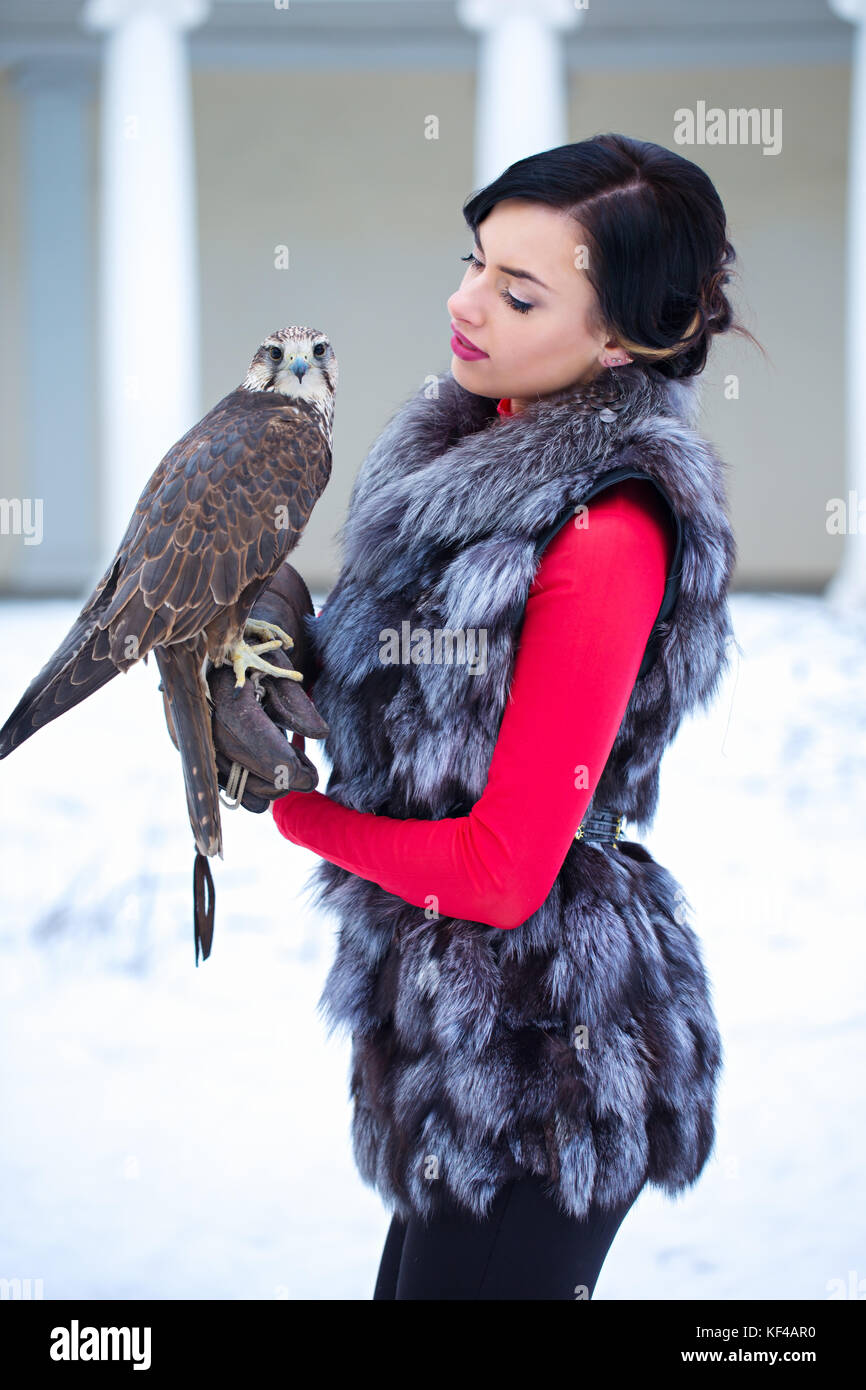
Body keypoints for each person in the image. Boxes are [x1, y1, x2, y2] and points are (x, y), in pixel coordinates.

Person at [209, 133, 761, 1299]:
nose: (466, 305)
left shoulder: (606, 532)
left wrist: (296, 811)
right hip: (451, 1036)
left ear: (620, 337)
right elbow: (430, 701)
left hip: (552, 1057)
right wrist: (270, 640)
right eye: (471, 263)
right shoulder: (468, 455)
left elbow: (503, 869)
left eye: (518, 293)